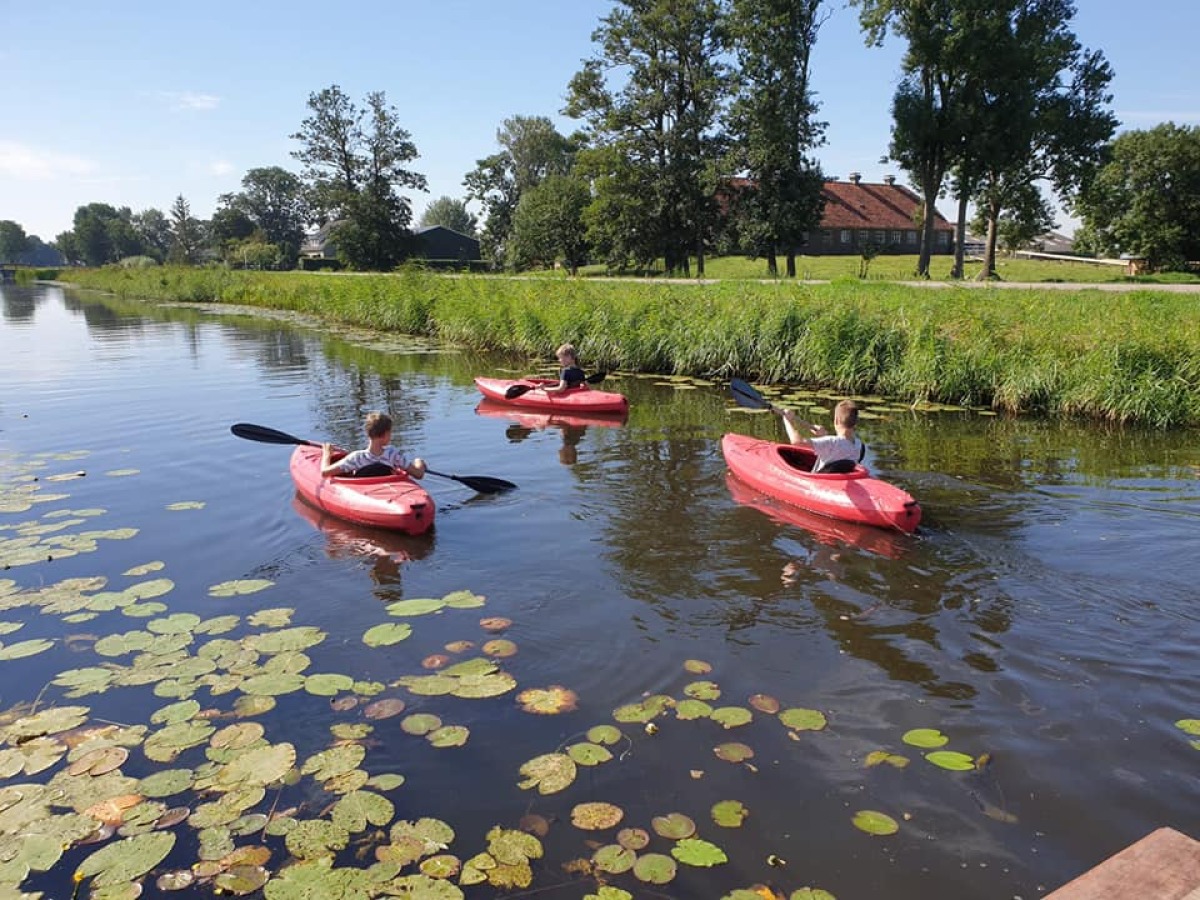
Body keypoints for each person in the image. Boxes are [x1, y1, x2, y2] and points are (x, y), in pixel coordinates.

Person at [321, 411, 427, 479]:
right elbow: (418, 474)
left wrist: (326, 455)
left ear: (368, 433)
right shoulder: (393, 454)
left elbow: (324, 473)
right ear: (385, 434)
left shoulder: (356, 458)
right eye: (390, 432)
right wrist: (419, 462)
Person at [776, 400, 865, 474]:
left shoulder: (831, 442)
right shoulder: (859, 446)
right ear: (855, 423)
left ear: (836, 420)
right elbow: (839, 447)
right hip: (838, 479)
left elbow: (797, 442)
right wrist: (823, 436)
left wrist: (787, 421)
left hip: (817, 482)